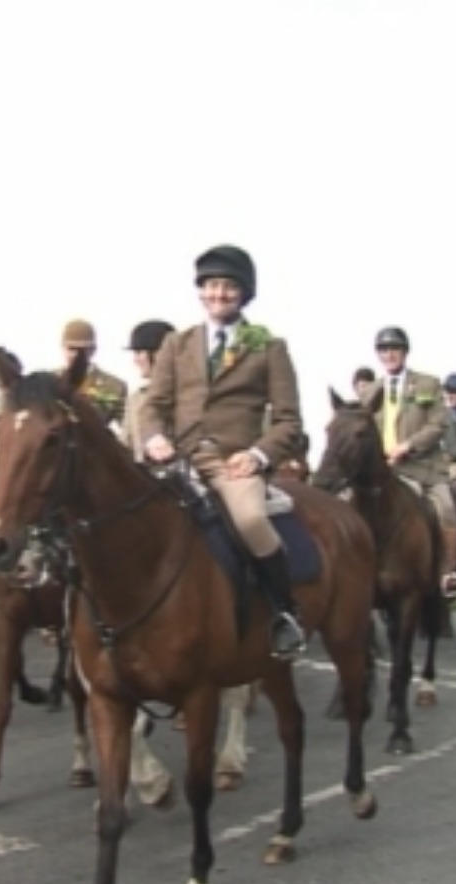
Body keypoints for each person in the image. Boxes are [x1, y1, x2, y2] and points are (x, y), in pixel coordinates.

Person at [141, 245, 307, 658]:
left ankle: (284, 613)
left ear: (244, 293)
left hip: (234, 462)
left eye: (229, 287)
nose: (219, 294)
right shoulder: (175, 345)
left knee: (250, 520)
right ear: (200, 291)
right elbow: (154, 406)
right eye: (212, 285)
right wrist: (152, 437)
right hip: (177, 459)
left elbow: (289, 420)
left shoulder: (269, 347)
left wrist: (258, 455)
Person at [366, 327, 456, 598]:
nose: (389, 355)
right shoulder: (370, 390)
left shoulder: (428, 384)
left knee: (447, 508)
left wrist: (408, 446)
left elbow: (439, 423)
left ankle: (449, 572)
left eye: (395, 349)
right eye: (384, 350)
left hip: (423, 468)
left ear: (405, 352)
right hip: (383, 472)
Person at [59, 320, 130, 430]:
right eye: (71, 349)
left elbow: (129, 427)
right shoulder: (49, 382)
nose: (76, 355)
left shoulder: (114, 386)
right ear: (63, 348)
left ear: (93, 350)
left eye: (82, 350)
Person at [123, 319, 176, 461]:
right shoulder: (135, 398)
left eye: (139, 352)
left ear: (159, 353)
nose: (135, 359)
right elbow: (126, 447)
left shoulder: (188, 393)